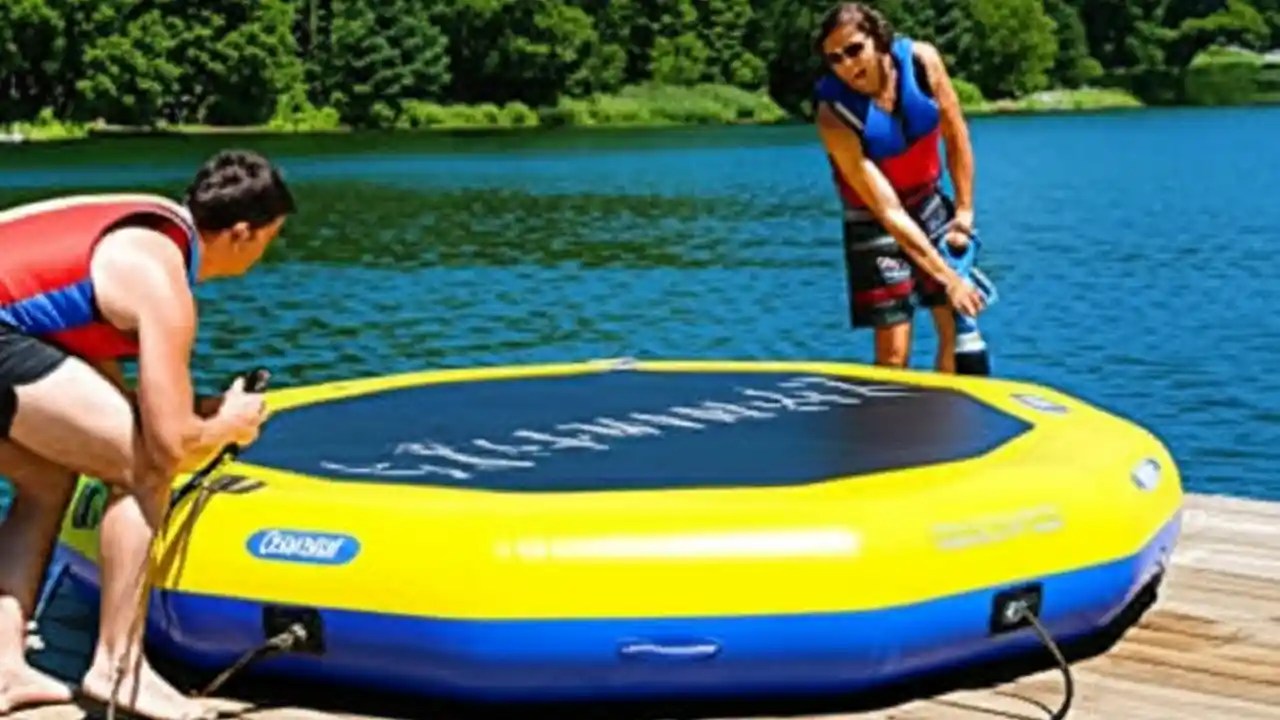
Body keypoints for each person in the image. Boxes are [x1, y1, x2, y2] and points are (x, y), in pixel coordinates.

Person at [0, 149, 294, 719]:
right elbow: (168, 446)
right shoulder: (162, 282)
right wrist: (226, 424)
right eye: (269, 239)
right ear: (241, 233)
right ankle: (119, 668)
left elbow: (92, 402)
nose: (265, 254)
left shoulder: (140, 227)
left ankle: (4, 667)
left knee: (46, 475)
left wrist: (197, 414)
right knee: (141, 469)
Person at [813, 2, 995, 375]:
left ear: (878, 40)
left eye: (854, 49)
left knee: (953, 325)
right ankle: (888, 429)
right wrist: (948, 277)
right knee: (895, 349)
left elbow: (956, 136)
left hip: (927, 200)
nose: (848, 65)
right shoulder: (833, 115)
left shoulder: (922, 63)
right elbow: (888, 211)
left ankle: (948, 424)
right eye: (835, 58)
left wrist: (963, 212)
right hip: (873, 216)